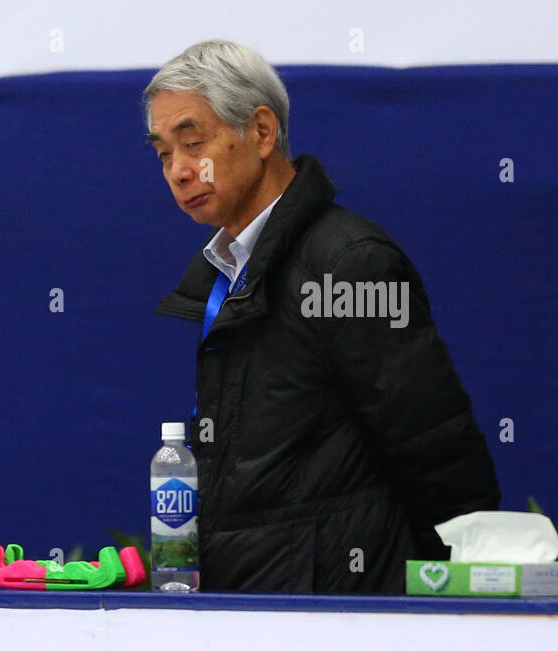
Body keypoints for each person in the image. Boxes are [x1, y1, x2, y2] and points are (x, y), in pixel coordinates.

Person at [145, 40, 499, 593]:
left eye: (193, 142)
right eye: (164, 153)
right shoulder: (228, 269)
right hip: (254, 608)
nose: (179, 171)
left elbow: (436, 448)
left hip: (337, 616)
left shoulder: (347, 264)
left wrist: (458, 604)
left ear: (262, 132)